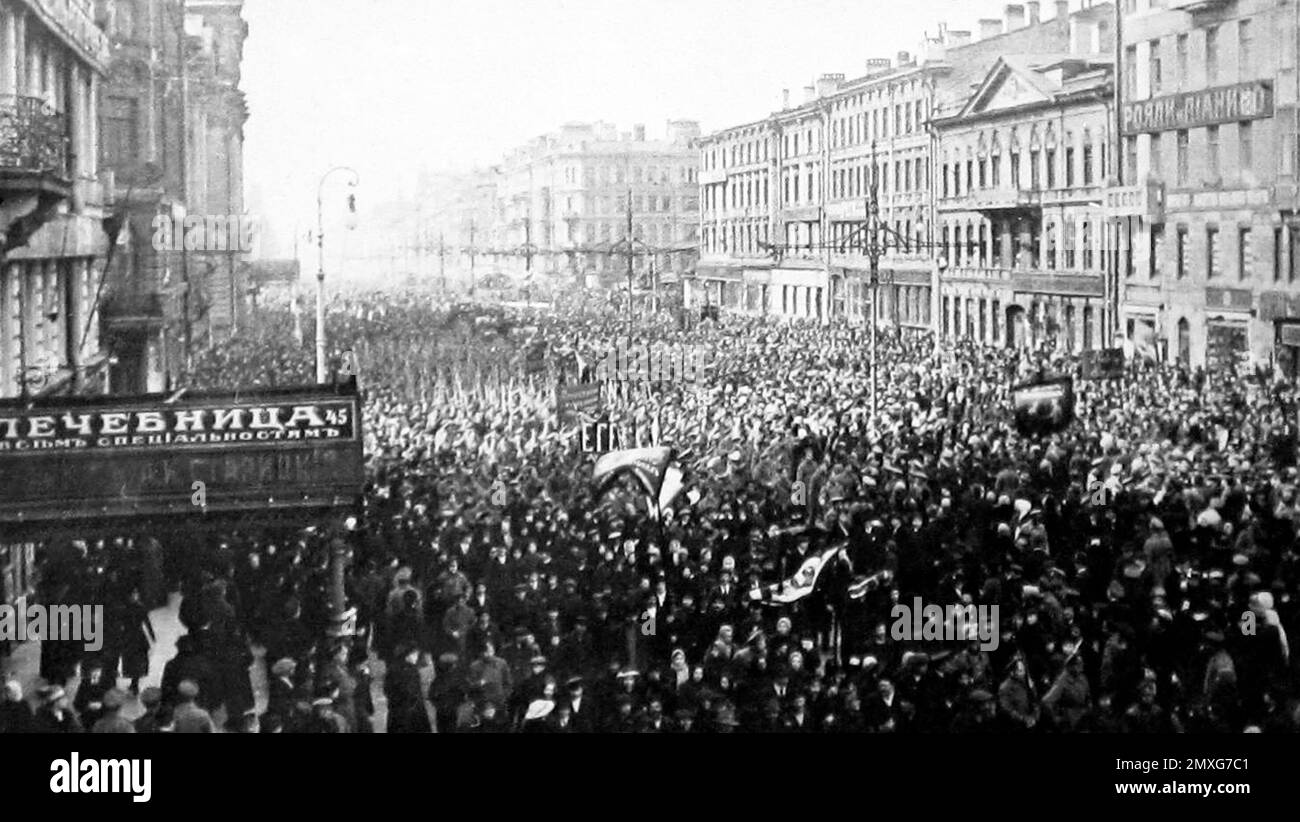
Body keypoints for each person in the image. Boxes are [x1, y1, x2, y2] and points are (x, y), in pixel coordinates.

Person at [384, 644, 430, 733]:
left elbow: (387, 690)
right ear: (406, 655)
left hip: (396, 712)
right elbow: (413, 692)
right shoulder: (411, 670)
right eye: (414, 654)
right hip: (411, 713)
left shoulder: (392, 669)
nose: (416, 657)